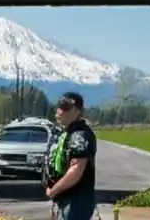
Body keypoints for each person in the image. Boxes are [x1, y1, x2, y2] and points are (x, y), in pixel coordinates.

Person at [44, 91, 98, 220]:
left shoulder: (80, 135)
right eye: (59, 106)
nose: (59, 111)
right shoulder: (67, 133)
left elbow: (76, 170)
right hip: (65, 199)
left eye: (65, 107)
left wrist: (54, 190)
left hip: (75, 201)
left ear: (77, 111)